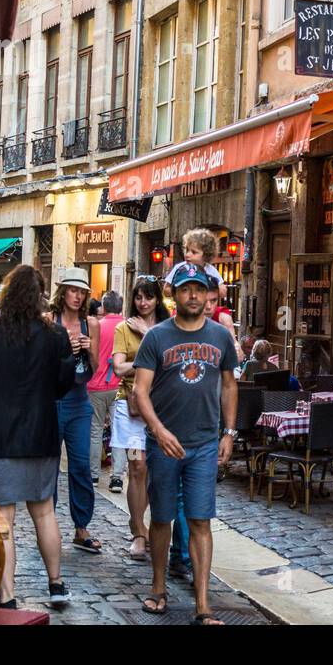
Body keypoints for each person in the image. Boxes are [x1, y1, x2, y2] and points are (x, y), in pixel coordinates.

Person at [0, 265, 75, 608]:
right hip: (40, 435)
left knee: (2, 520)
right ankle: (56, 584)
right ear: (40, 296)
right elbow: (64, 383)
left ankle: (6, 595)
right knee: (44, 512)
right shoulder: (55, 335)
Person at [133, 263, 239, 625]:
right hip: (164, 444)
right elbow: (140, 391)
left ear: (207, 293)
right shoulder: (157, 337)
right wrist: (159, 431)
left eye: (198, 289)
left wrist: (229, 432)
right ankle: (158, 588)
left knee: (200, 520)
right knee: (161, 518)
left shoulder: (220, 337)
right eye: (185, 289)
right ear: (174, 294)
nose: (193, 295)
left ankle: (203, 604)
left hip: (205, 443)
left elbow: (229, 385)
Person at [111, 278, 170, 560]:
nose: (143, 303)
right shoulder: (124, 327)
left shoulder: (166, 328)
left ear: (157, 299)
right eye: (138, 297)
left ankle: (149, 525)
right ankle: (138, 532)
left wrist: (147, 334)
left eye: (148, 297)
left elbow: (170, 364)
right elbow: (118, 368)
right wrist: (146, 364)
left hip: (161, 406)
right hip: (131, 407)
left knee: (155, 471)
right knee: (137, 467)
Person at [50, 267, 103, 554]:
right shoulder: (49, 320)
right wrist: (63, 350)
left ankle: (81, 528)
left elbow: (94, 369)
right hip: (53, 400)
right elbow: (40, 365)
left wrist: (88, 348)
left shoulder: (90, 324)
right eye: (73, 290)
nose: (77, 296)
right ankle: (49, 526)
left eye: (82, 292)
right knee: (49, 466)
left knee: (81, 465)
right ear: (63, 292)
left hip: (80, 401)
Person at [88, 290, 124, 491]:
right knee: (119, 432)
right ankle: (117, 477)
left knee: (94, 430)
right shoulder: (127, 326)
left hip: (96, 385)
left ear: (104, 307)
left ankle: (93, 475)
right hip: (120, 386)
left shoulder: (97, 327)